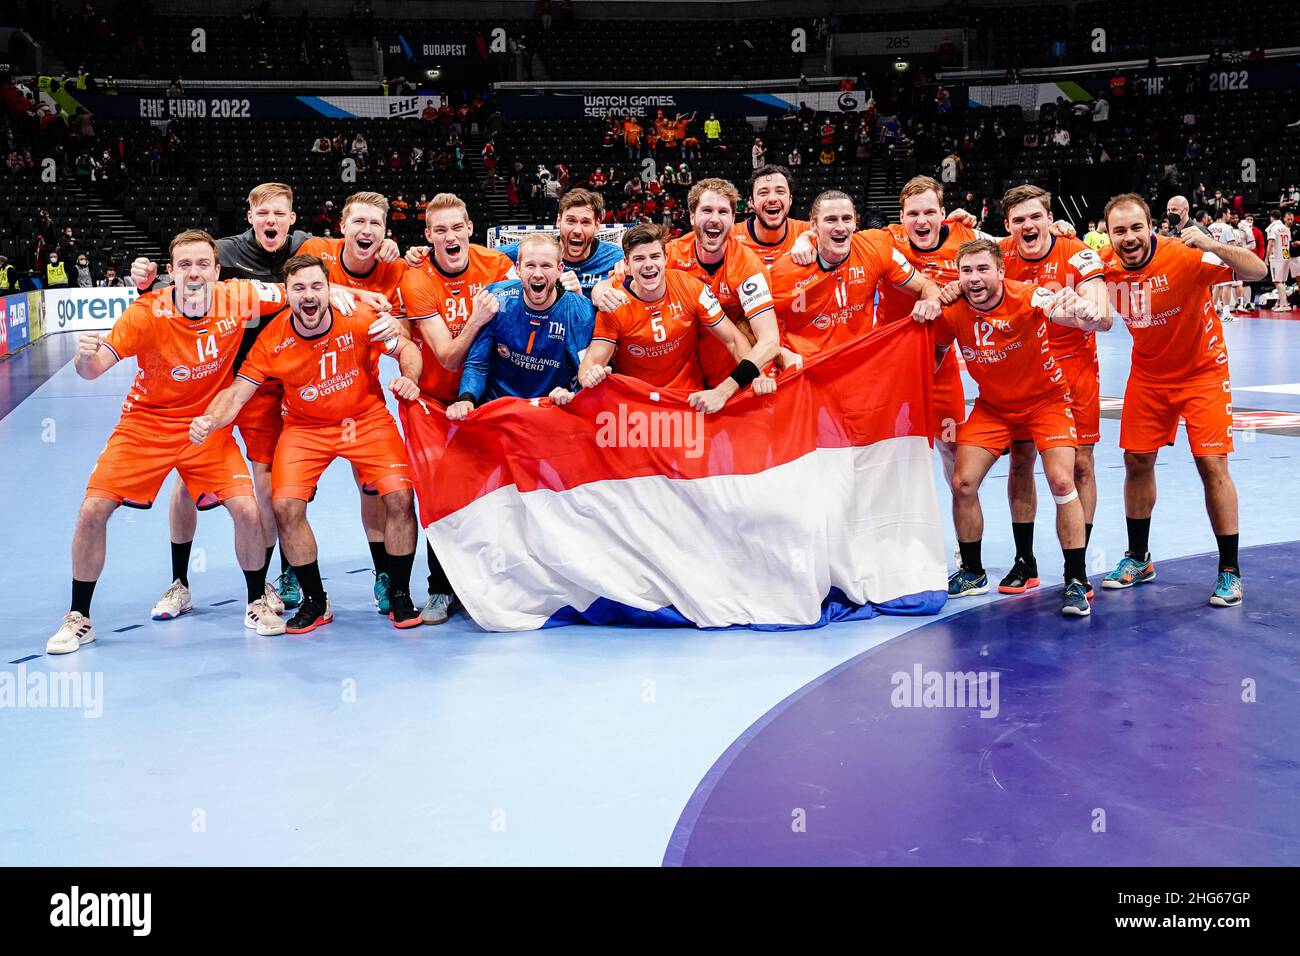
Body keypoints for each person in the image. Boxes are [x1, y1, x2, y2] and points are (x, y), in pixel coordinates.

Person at [129, 183, 400, 617]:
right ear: (250, 217)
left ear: (292, 219)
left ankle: (284, 573)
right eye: (263, 213)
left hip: (275, 384)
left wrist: (390, 248)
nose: (271, 221)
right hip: (214, 380)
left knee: (268, 482)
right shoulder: (223, 251)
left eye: (279, 214)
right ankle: (179, 581)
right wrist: (146, 282)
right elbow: (184, 282)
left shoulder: (310, 247)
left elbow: (356, 245)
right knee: (186, 482)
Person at [45, 230, 288, 655]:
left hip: (207, 427)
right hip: (145, 426)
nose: (194, 273)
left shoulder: (241, 297)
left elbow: (300, 290)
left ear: (217, 270)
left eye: (202, 265)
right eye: (185, 266)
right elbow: (94, 369)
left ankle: (255, 602)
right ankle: (79, 617)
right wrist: (84, 357)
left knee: (247, 509)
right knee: (92, 510)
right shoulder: (146, 313)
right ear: (171, 273)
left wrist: (344, 294)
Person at [190, 253, 425, 631]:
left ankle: (400, 592)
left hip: (364, 420)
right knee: (284, 506)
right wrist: (209, 419)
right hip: (305, 428)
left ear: (329, 289)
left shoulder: (360, 318)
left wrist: (409, 377)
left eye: (316, 286)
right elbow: (237, 392)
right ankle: (316, 601)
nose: (308, 295)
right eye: (299, 288)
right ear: (288, 294)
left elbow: (407, 348)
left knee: (399, 496)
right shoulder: (272, 339)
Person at [1100, 193, 1268, 607]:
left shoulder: (1187, 255)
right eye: (1119, 230)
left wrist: (1213, 245)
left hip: (1202, 373)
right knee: (1136, 460)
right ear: (1108, 234)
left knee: (1212, 465)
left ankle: (1229, 570)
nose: (1129, 237)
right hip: (1148, 374)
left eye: (1137, 227)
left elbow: (1258, 271)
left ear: (1151, 226)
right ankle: (1138, 559)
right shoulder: (1102, 265)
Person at [930, 239, 1106, 616]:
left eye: (982, 269)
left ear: (1000, 271)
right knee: (962, 483)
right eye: (966, 271)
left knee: (1062, 480)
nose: (974, 278)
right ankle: (973, 572)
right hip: (994, 407)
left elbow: (1067, 314)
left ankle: (1076, 577)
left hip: (1047, 402)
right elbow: (935, 354)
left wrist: (1082, 310)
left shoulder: (1029, 296)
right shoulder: (952, 310)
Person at [295, 192, 438, 616]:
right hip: (302, 403)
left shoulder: (394, 271)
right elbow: (287, 285)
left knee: (374, 490)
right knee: (291, 496)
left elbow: (408, 333)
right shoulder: (314, 252)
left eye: (375, 224)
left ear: (385, 232)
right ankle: (291, 573)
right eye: (358, 222)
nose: (366, 230)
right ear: (342, 225)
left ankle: (384, 577)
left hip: (361, 399)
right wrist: (337, 289)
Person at [987, 185, 1111, 594]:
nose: (1028, 225)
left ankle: (1077, 564)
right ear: (1008, 225)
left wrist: (1091, 307)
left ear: (1049, 218)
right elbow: (950, 244)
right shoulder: (999, 253)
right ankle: (1025, 561)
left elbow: (1099, 305)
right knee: (1021, 462)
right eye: (1019, 219)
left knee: (1079, 467)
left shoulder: (1077, 251)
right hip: (1023, 373)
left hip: (1074, 373)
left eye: (1035, 217)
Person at [402, 193, 517, 623]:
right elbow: (449, 357)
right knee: (441, 493)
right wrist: (476, 318)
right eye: (440, 231)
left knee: (497, 492)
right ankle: (439, 589)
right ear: (428, 236)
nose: (450, 237)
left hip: (486, 400)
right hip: (433, 404)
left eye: (457, 228)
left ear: (470, 228)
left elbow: (539, 257)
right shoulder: (417, 278)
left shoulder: (499, 265)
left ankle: (496, 580)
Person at [579, 223, 764, 414]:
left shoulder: (691, 287)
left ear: (666, 258)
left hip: (690, 401)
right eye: (639, 258)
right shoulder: (614, 304)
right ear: (626, 264)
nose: (648, 264)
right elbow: (591, 362)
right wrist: (589, 376)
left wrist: (756, 375)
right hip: (637, 406)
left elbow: (734, 340)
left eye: (655, 256)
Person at [769, 190, 940, 358]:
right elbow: (753, 323)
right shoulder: (784, 270)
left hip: (857, 367)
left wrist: (931, 301)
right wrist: (780, 354)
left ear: (855, 223)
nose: (841, 227)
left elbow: (926, 285)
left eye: (847, 219)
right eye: (831, 220)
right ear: (813, 225)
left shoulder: (874, 249)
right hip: (808, 371)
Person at [446, 234, 596, 419]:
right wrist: (466, 399)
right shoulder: (496, 298)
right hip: (498, 412)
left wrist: (572, 395)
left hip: (549, 414)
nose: (538, 273)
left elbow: (587, 373)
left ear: (560, 269)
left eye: (546, 266)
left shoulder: (580, 312)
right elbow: (478, 364)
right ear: (518, 268)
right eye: (530, 265)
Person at [731, 165, 810, 268]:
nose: (772, 199)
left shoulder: (805, 231)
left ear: (790, 200)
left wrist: (807, 237)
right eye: (763, 193)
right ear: (752, 202)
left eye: (780, 192)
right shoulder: (731, 238)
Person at [1265, 210, 1295, 311]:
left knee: (1277, 281)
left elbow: (1271, 243)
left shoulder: (1273, 228)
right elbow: (1289, 243)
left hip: (1276, 257)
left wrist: (1266, 258)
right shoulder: (1286, 228)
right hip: (1285, 256)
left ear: (1271, 217)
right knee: (1282, 281)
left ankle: (1284, 304)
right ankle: (1279, 302)